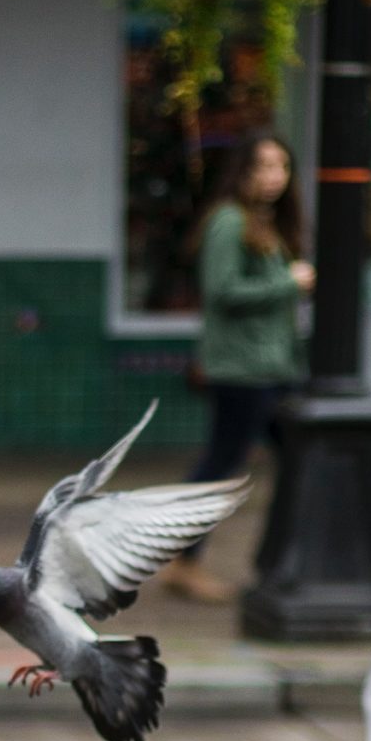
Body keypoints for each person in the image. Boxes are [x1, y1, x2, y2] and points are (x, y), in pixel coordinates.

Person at [160, 134, 314, 603]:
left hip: (274, 367)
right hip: (240, 369)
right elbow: (222, 291)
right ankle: (181, 563)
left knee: (299, 462)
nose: (273, 177)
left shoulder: (266, 223)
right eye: (263, 166)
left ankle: (285, 561)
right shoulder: (228, 221)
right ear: (242, 171)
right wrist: (287, 283)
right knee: (220, 465)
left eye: (281, 167)